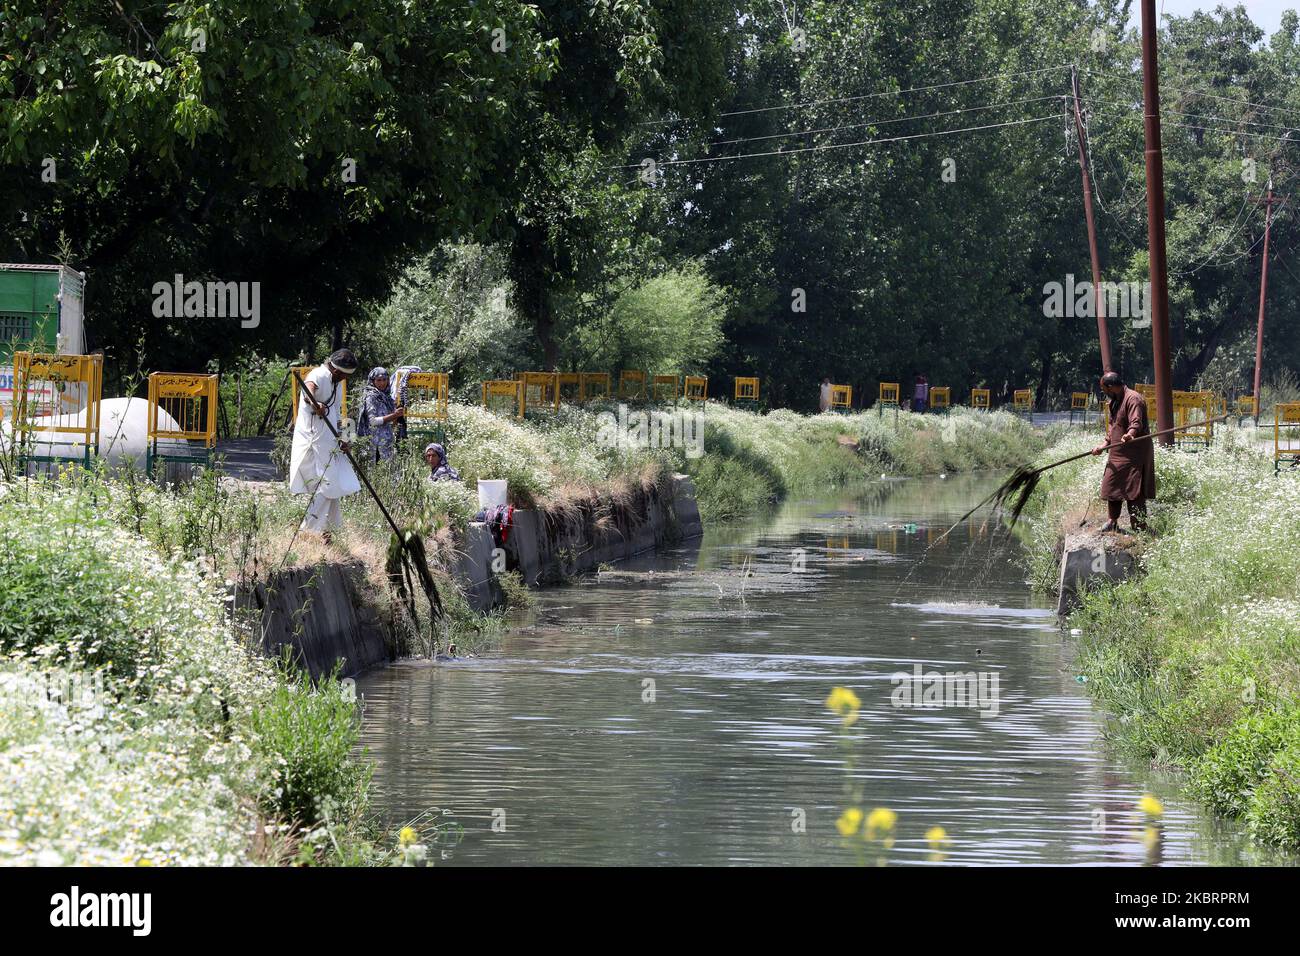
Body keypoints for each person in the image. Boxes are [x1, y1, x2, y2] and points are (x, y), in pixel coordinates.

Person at [289, 349, 362, 540]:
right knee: (327, 484)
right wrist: (315, 404)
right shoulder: (318, 374)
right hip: (314, 438)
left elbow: (336, 414)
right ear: (338, 371)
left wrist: (345, 438)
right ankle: (308, 532)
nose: (346, 379)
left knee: (333, 485)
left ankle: (328, 531)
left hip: (329, 440)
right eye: (345, 375)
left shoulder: (336, 384)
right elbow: (308, 389)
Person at [1091, 371, 1156, 532]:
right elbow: (1114, 427)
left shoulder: (1133, 398)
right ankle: (1112, 522)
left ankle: (1140, 527)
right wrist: (1103, 444)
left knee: (1134, 492)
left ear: (1111, 387)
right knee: (1111, 486)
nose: (1104, 392)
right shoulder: (1115, 401)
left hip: (1135, 453)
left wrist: (1130, 434)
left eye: (1104, 389)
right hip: (1117, 453)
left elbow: (1136, 422)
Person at [358, 366, 404, 462]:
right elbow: (373, 421)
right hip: (375, 446)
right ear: (373, 381)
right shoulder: (371, 396)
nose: (382, 383)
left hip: (386, 443)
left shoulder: (386, 397)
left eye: (384, 380)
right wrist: (394, 415)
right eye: (378, 380)